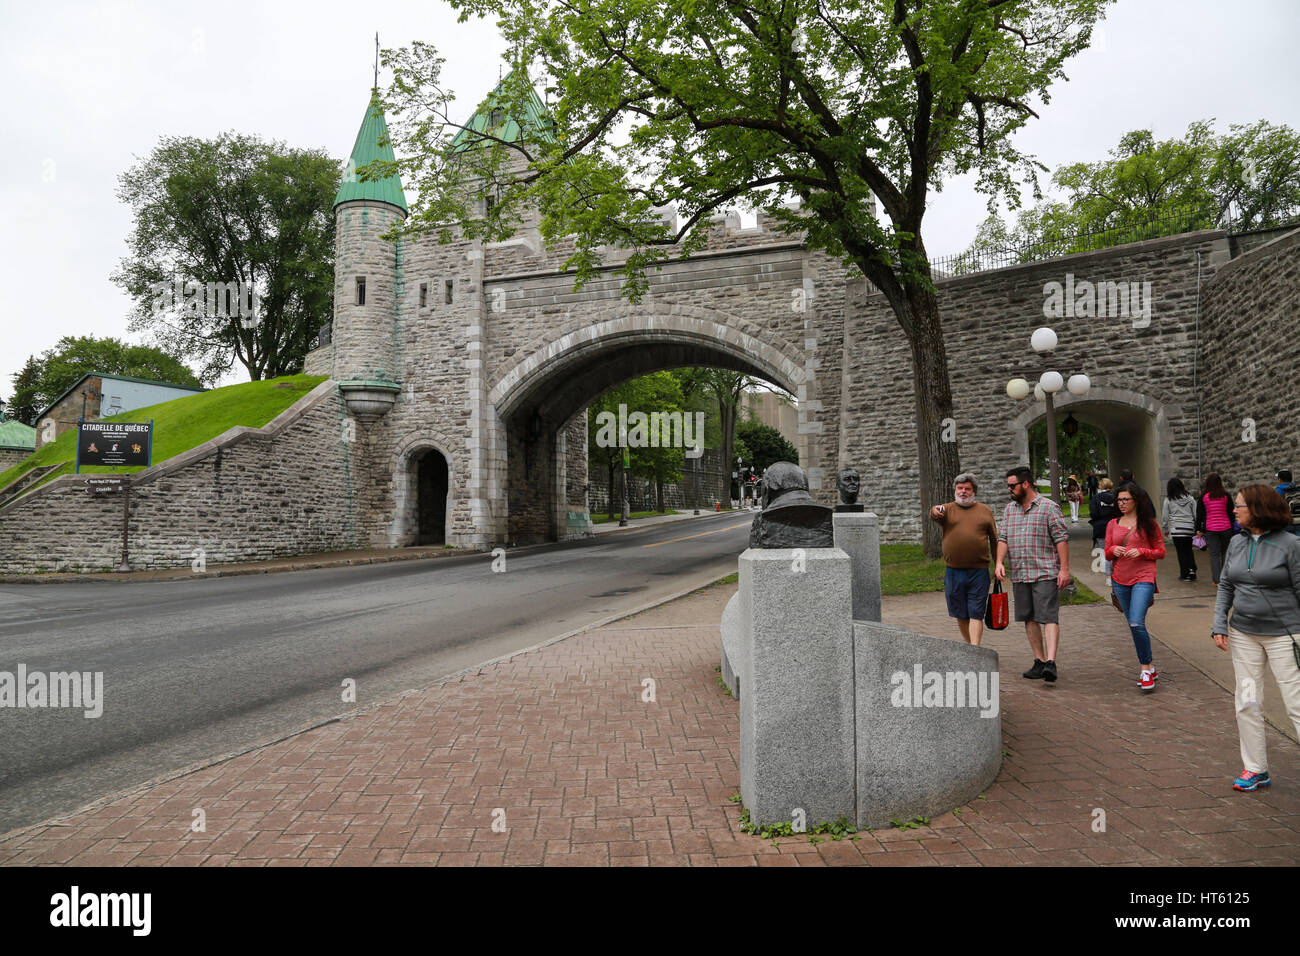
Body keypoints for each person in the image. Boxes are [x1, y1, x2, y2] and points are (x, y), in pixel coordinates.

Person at [1210, 484, 1300, 792]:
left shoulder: (1290, 544)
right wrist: (1219, 623)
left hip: (1285, 637)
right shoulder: (1236, 542)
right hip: (1244, 636)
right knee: (1247, 702)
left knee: (1295, 704)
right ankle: (1255, 769)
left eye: (1239, 506)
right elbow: (1225, 585)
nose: (1233, 511)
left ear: (1259, 509)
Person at [996, 466, 1071, 682]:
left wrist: (1064, 570)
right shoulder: (1010, 510)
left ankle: (1051, 662)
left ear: (1025, 484)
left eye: (1012, 485)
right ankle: (1039, 661)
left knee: (1048, 616)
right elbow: (1003, 538)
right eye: (1008, 485)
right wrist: (999, 562)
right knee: (1028, 618)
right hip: (1020, 573)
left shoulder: (1049, 508)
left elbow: (1061, 540)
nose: (1009, 489)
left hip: (1045, 571)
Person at [1107, 481, 1167, 691]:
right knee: (1134, 625)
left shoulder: (1148, 524)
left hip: (1144, 576)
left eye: (1126, 499)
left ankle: (1144, 669)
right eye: (1119, 500)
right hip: (1120, 579)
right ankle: (1150, 666)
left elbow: (1161, 551)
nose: (1121, 503)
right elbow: (1106, 552)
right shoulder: (1113, 524)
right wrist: (1114, 549)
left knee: (1136, 622)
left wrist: (1141, 551)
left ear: (1136, 501)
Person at [929, 473, 998, 646]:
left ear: (974, 491)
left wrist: (998, 564)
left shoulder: (985, 511)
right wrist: (934, 510)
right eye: (960, 488)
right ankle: (971, 648)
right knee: (960, 613)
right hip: (953, 571)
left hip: (979, 571)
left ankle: (975, 648)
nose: (963, 492)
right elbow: (934, 514)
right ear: (955, 490)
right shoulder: (947, 509)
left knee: (976, 612)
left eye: (967, 488)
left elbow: (995, 541)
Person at [1197, 473, 1236, 585]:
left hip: (1211, 529)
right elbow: (1231, 513)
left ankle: (1216, 580)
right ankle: (1226, 578)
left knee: (1214, 554)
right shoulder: (1226, 496)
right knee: (1225, 553)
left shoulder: (1204, 497)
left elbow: (1199, 514)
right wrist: (1232, 526)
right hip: (1226, 528)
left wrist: (1199, 528)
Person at [1162, 477, 1199, 581]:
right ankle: (1192, 570)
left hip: (1176, 529)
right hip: (1189, 528)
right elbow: (1195, 514)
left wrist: (1165, 529)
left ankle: (1184, 573)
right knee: (1189, 550)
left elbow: (1165, 516)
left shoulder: (1168, 500)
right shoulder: (1190, 498)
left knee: (1181, 552)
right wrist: (1196, 528)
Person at [1089, 478, 1119, 575]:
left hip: (1100, 527)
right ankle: (1115, 572)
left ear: (1100, 486)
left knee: (1103, 550)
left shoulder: (1096, 498)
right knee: (1114, 550)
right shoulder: (1116, 498)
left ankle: (1108, 575)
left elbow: (1093, 513)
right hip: (1114, 526)